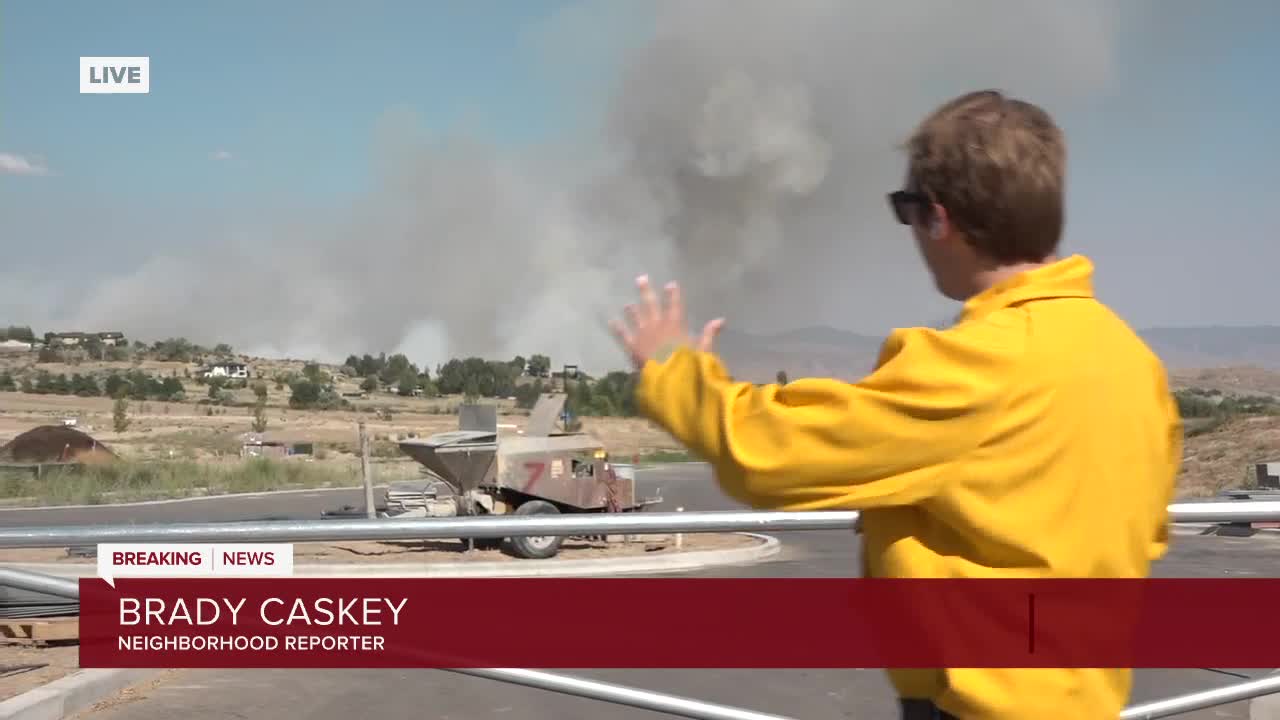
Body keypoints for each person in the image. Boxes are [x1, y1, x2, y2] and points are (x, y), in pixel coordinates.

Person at [608, 90, 1182, 720]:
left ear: (939, 219)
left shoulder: (975, 365)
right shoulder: (1133, 364)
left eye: (905, 210)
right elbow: (1140, 532)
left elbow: (769, 452)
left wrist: (672, 372)